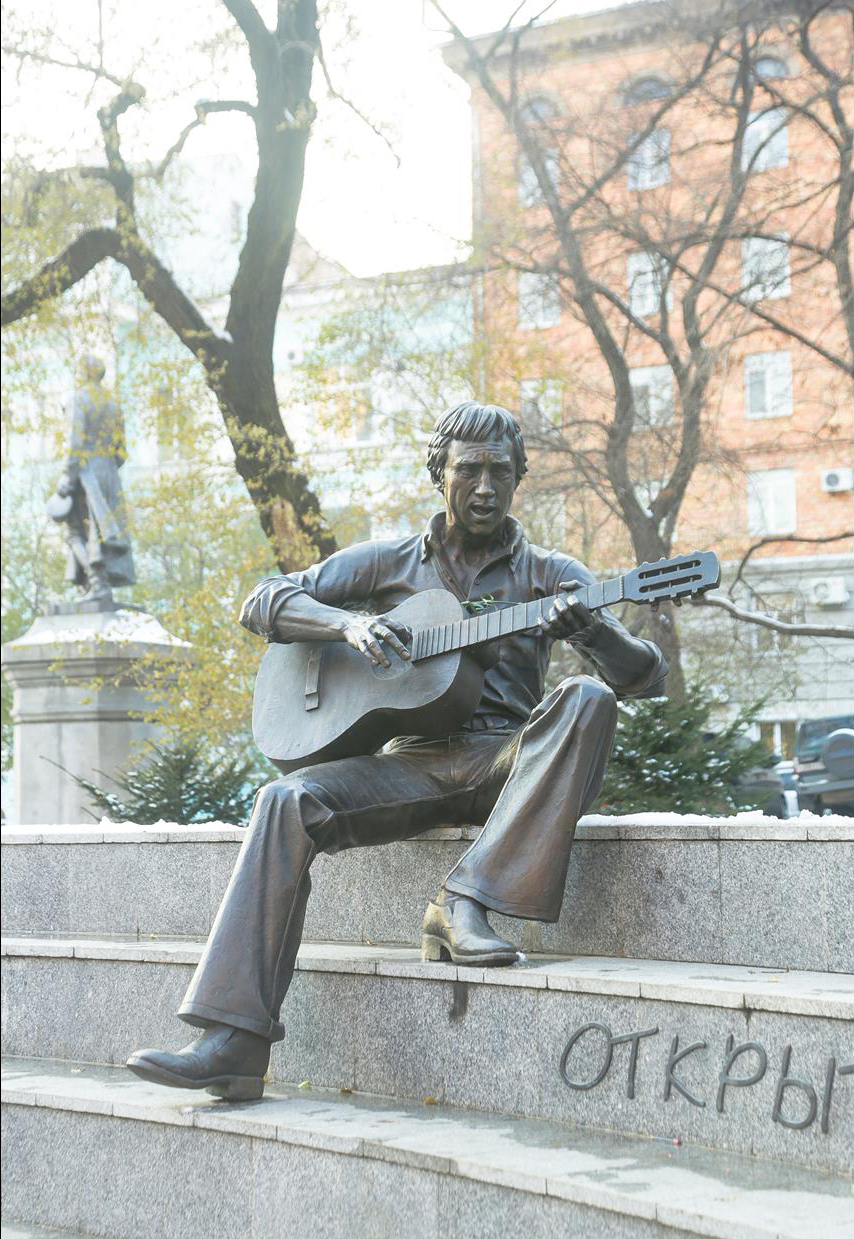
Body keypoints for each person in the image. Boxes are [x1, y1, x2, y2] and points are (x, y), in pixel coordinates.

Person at [127, 401, 666, 1100]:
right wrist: (347, 625)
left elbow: (643, 678)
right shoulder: (387, 563)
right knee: (285, 800)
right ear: (438, 474)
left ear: (518, 479)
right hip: (408, 765)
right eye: (467, 470)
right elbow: (264, 601)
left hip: (508, 762)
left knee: (588, 699)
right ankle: (234, 1040)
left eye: (500, 472)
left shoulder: (548, 572)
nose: (484, 487)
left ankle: (464, 900)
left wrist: (593, 633)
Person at [49, 354, 135, 602]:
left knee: (75, 530)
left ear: (83, 373)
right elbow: (122, 451)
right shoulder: (114, 404)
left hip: (85, 471)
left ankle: (97, 583)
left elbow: (75, 442)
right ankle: (94, 584)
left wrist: (68, 476)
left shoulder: (79, 399)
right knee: (100, 529)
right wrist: (107, 466)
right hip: (109, 471)